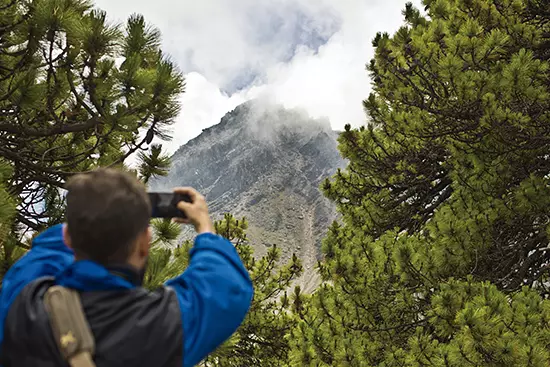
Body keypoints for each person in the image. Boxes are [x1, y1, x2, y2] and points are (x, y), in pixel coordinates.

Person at [0, 168, 254, 367]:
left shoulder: (21, 301)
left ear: (69, 238)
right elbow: (225, 285)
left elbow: (47, 252)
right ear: (145, 243)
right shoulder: (159, 325)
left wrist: (96, 215)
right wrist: (205, 228)